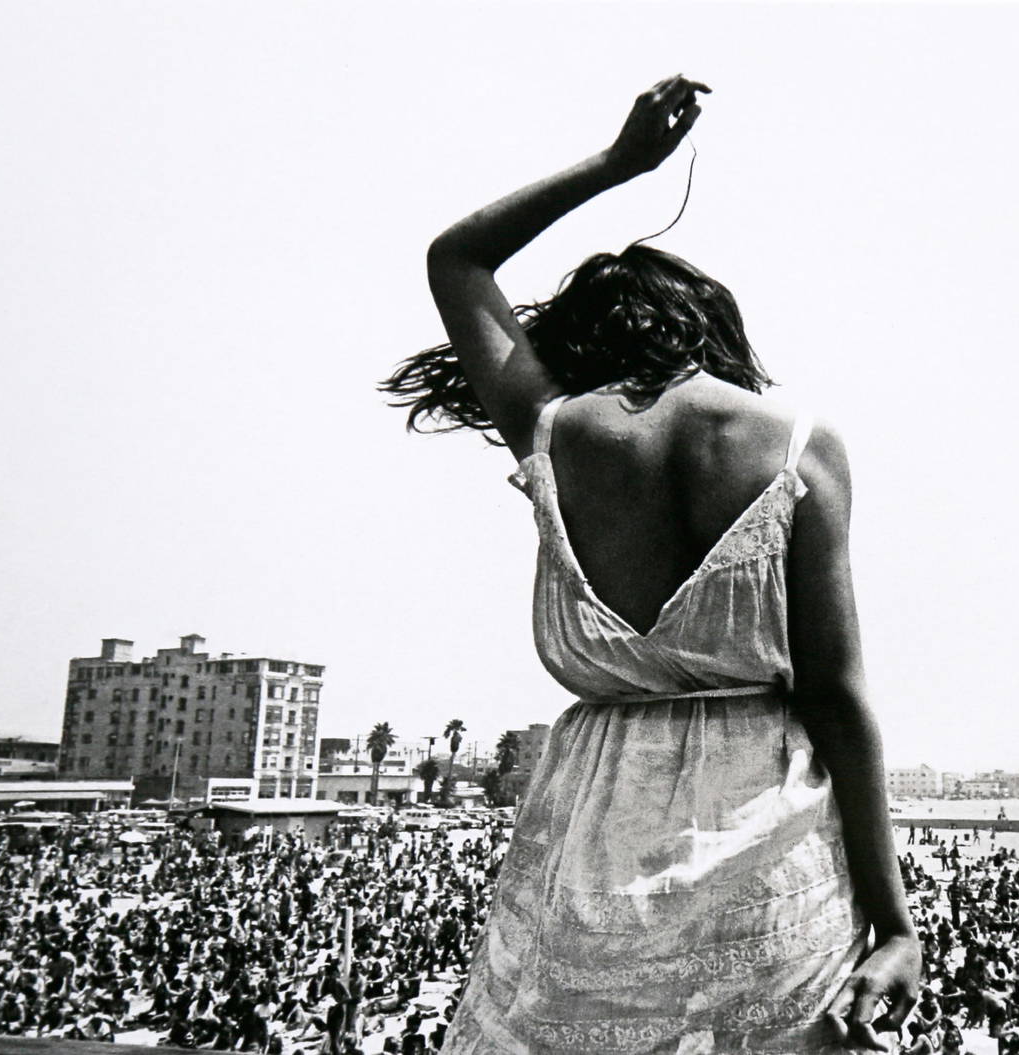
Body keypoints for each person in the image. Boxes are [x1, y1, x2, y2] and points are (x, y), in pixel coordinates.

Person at [387, 74, 920, 1052]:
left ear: (587, 339)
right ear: (715, 330)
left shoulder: (551, 431)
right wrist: (895, 924)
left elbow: (456, 258)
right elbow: (838, 699)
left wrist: (618, 163)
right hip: (773, 868)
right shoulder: (798, 444)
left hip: (589, 863)